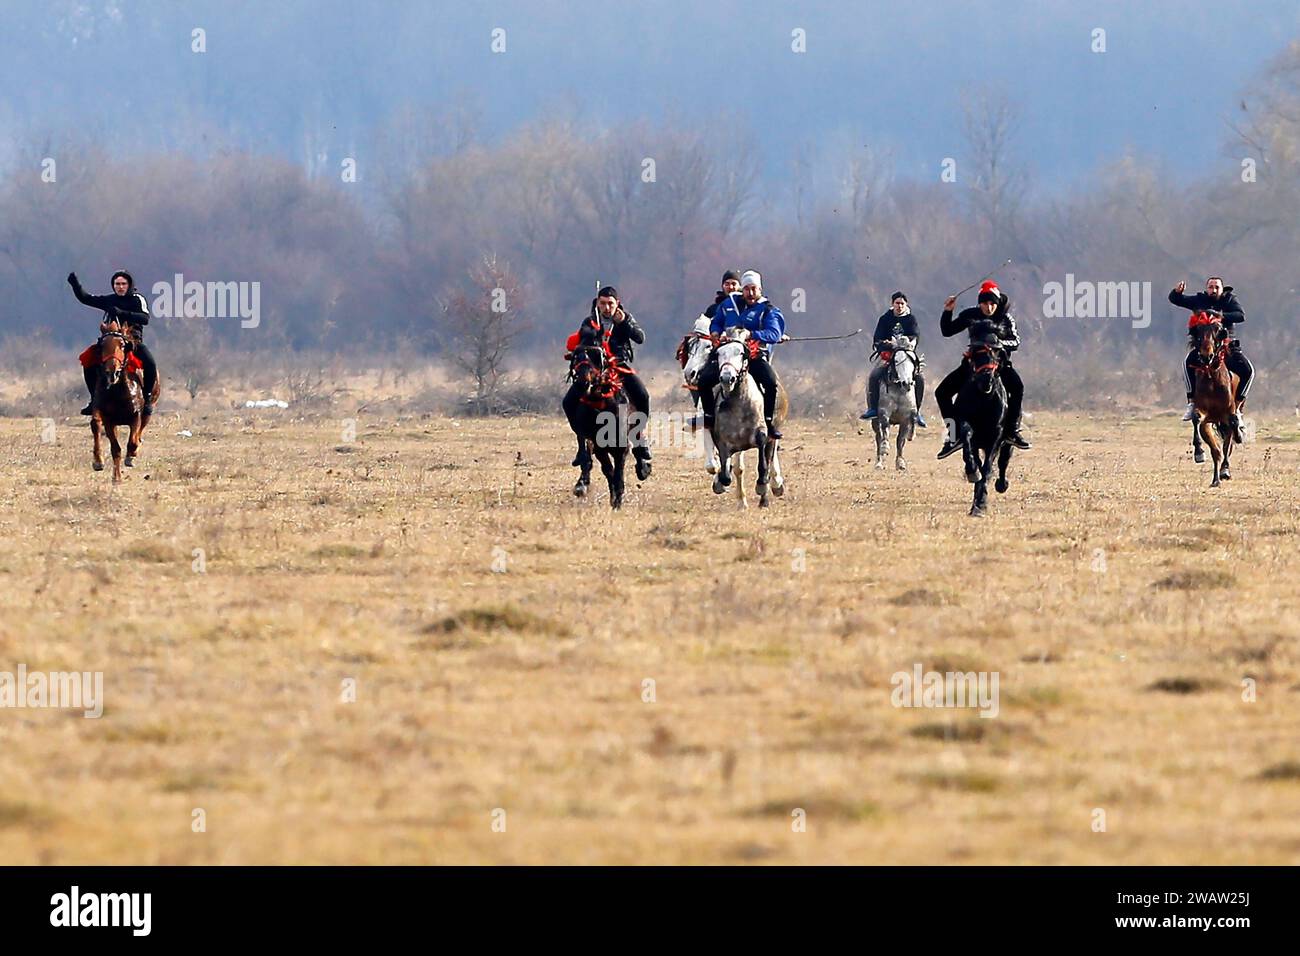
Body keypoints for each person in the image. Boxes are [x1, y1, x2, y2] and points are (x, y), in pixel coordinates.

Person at [934, 281, 1030, 458]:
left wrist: (997, 345)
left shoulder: (1005, 318)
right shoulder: (970, 315)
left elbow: (1015, 341)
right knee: (941, 392)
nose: (989, 307)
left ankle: (1012, 431)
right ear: (979, 303)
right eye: (985, 303)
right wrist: (948, 311)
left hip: (999, 366)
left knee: (1018, 388)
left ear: (997, 303)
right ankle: (953, 435)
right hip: (972, 366)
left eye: (992, 303)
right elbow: (947, 331)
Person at [564, 286, 652, 478]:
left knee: (643, 395)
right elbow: (583, 338)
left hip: (618, 366)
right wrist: (592, 334)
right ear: (597, 303)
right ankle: (582, 446)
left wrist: (625, 322)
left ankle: (639, 438)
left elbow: (640, 337)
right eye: (602, 303)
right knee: (569, 401)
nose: (606, 308)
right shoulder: (590, 321)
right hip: (595, 369)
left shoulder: (624, 318)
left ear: (616, 304)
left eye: (610, 304)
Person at [695, 270, 787, 438]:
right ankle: (708, 417)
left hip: (753, 355)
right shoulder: (729, 304)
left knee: (771, 383)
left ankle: (768, 423)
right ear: (742, 290)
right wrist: (715, 332)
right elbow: (716, 322)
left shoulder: (768, 310)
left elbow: (774, 334)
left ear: (760, 289)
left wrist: (752, 334)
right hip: (727, 355)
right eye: (746, 289)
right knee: (704, 380)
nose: (750, 293)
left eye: (754, 289)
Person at [1168, 277, 1252, 434]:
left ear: (1222, 288)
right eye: (1210, 287)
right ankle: (1192, 402)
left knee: (1249, 371)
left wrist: (1221, 315)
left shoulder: (1229, 300)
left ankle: (1238, 407)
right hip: (1204, 348)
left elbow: (1240, 315)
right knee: (1187, 364)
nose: (1213, 290)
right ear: (1206, 288)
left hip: (1226, 347)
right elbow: (1176, 300)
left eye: (1216, 287)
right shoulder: (1200, 300)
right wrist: (1177, 292)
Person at [69, 270, 155, 415]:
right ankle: (93, 400)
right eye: (117, 284)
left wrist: (121, 313)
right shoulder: (109, 300)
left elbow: (145, 319)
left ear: (129, 285)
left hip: (131, 342)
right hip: (109, 342)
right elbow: (86, 298)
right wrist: (75, 285)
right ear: (113, 286)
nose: (120, 287)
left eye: (123, 284)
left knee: (150, 363)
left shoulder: (137, 299)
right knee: (87, 360)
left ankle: (146, 398)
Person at [860, 291, 927, 426]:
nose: (900, 306)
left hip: (906, 353)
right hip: (888, 355)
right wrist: (885, 345)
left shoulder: (911, 319)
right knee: (874, 375)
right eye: (897, 303)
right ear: (892, 304)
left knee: (920, 378)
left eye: (902, 303)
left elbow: (915, 336)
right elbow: (877, 338)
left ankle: (917, 411)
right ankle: (873, 408)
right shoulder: (885, 319)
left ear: (906, 304)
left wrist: (907, 344)